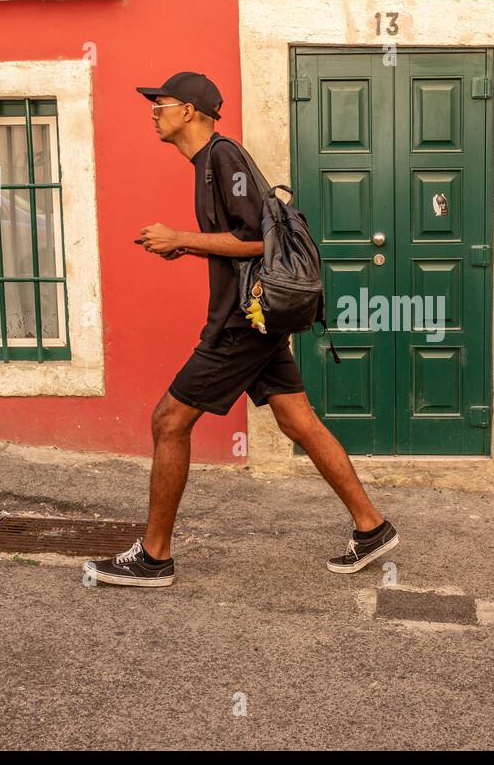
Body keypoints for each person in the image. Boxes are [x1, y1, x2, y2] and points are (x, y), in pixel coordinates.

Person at [84, 72, 398, 587]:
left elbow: (260, 242)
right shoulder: (206, 163)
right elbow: (241, 238)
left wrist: (181, 235)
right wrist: (186, 247)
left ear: (189, 110)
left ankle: (154, 558)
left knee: (168, 421)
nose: (153, 113)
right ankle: (372, 528)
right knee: (297, 420)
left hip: (242, 322)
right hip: (255, 319)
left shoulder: (222, 157)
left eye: (159, 104)